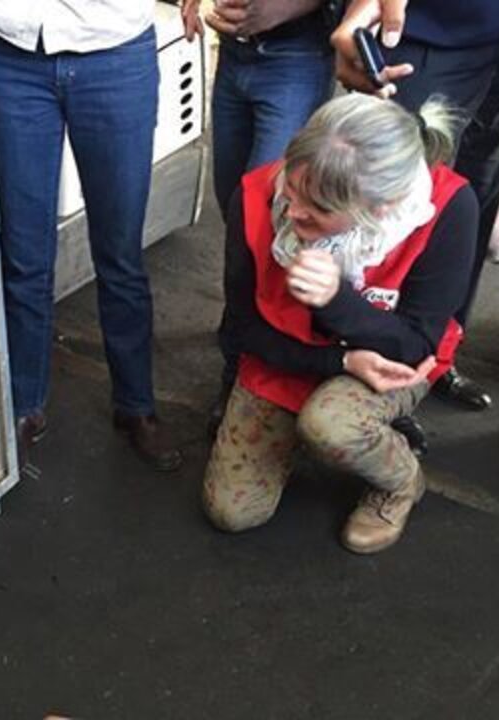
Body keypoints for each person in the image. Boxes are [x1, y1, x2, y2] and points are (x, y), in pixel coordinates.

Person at [202, 93, 477, 554]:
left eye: (318, 210)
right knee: (231, 513)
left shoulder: (448, 206)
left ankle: (399, 481)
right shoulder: (254, 195)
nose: (291, 216)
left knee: (331, 425)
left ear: (381, 208)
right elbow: (243, 328)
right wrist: (341, 360)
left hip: (391, 362)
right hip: (294, 353)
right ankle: (295, 440)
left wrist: (335, 301)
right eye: (290, 193)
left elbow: (416, 345)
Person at [0, 2, 201, 471]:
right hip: (11, 46)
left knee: (120, 252)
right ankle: (24, 406)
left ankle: (136, 405)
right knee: (22, 253)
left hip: (113, 48)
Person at [331, 0, 499, 412]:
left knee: (469, 205)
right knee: (390, 207)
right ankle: (359, 385)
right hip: (429, 28)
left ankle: (435, 357)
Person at [203, 0, 339, 436]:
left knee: (272, 221)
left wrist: (288, 8)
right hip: (233, 51)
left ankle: (246, 368)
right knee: (237, 213)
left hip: (296, 55)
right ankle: (246, 339)